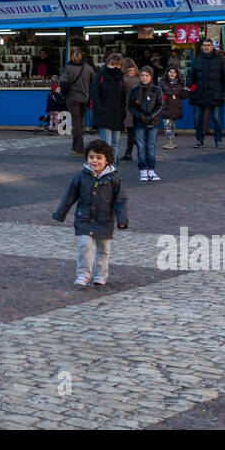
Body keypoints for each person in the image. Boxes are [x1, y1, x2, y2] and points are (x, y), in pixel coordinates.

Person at [52, 138, 128, 288]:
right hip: (85, 219)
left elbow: (120, 201)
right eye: (91, 157)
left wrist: (122, 220)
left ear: (107, 160)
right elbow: (70, 196)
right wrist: (60, 213)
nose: (95, 161)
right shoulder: (81, 176)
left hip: (105, 220)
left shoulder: (114, 179)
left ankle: (100, 275)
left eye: (99, 158)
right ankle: (83, 275)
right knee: (85, 246)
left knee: (103, 249)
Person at [189, 38, 225, 148]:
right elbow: (192, 76)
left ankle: (218, 141)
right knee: (198, 119)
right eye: (204, 45)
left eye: (208, 45)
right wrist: (192, 89)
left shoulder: (220, 59)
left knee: (217, 119)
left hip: (215, 94)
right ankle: (199, 140)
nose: (206, 47)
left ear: (212, 47)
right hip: (200, 93)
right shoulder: (197, 59)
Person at [127, 67, 164, 181]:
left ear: (151, 77)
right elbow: (131, 106)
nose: (144, 78)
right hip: (139, 122)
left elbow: (160, 105)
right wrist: (140, 116)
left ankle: (151, 170)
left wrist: (152, 116)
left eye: (147, 75)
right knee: (141, 147)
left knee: (151, 146)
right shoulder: (135, 90)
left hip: (153, 122)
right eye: (142, 75)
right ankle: (143, 170)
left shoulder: (156, 90)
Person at [61, 49, 96, 156]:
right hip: (84, 98)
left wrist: (65, 94)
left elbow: (63, 83)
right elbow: (94, 81)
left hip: (72, 98)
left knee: (76, 123)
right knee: (80, 121)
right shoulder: (88, 68)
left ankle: (80, 148)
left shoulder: (67, 68)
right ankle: (74, 146)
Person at [91, 52, 127, 154]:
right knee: (107, 144)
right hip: (104, 115)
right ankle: (107, 167)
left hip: (117, 115)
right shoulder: (99, 76)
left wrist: (123, 112)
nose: (114, 67)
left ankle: (112, 167)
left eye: (116, 65)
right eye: (112, 64)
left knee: (115, 144)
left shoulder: (120, 79)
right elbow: (94, 95)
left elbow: (123, 98)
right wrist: (101, 110)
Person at [160, 66, 184, 149]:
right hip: (166, 106)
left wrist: (190, 91)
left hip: (175, 107)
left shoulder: (180, 83)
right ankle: (169, 142)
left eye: (174, 72)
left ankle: (171, 141)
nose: (172, 74)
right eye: (170, 72)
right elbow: (165, 92)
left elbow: (180, 93)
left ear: (177, 74)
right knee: (167, 125)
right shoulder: (163, 82)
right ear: (167, 73)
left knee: (173, 125)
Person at [119, 58, 138, 161]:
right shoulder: (140, 77)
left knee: (131, 131)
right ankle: (130, 152)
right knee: (135, 131)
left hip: (128, 106)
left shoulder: (124, 79)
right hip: (140, 108)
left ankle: (129, 152)